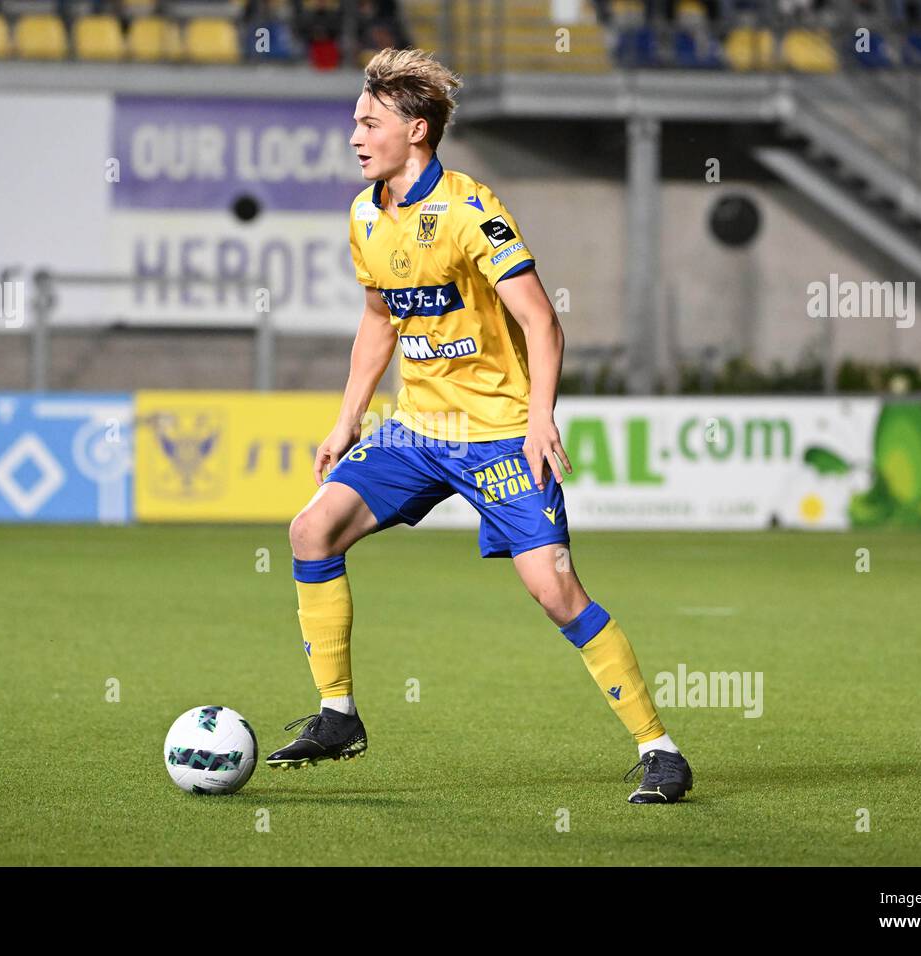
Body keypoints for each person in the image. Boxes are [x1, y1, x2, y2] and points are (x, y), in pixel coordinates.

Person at [266, 48, 694, 804]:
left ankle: (660, 751)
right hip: (416, 430)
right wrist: (348, 421)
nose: (357, 136)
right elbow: (378, 322)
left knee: (555, 590)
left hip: (496, 431)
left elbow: (541, 321)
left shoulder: (471, 209)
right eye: (355, 123)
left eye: (371, 123)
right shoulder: (365, 213)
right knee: (310, 530)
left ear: (417, 131)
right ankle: (339, 715)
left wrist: (538, 421)